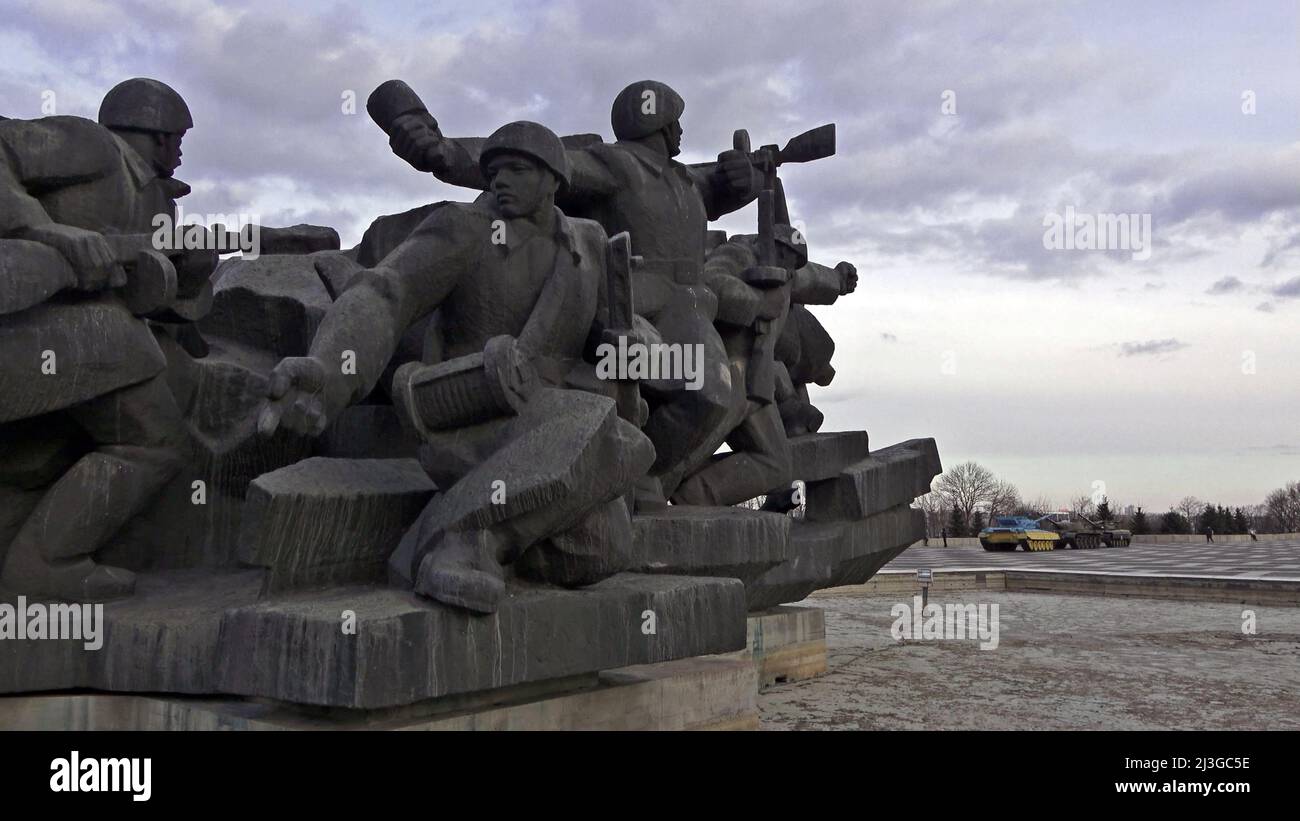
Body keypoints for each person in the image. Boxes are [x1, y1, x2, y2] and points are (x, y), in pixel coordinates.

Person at [259, 121, 654, 613]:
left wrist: (638, 346)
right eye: (493, 171)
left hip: (559, 429)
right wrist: (328, 368)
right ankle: (458, 540)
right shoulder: (465, 229)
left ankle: (496, 541)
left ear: (554, 178)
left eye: (517, 169)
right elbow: (387, 293)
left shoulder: (588, 243)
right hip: (470, 416)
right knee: (621, 439)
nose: (499, 181)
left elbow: (611, 330)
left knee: (602, 546)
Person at [381, 79, 763, 506]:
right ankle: (631, 476)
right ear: (662, 125)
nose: (681, 131)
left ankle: (639, 476)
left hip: (693, 306)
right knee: (708, 389)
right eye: (676, 122)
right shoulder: (618, 165)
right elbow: (544, 159)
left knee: (717, 394)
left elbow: (721, 189)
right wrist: (446, 152)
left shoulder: (687, 180)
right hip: (638, 301)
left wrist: (740, 179)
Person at [0, 78, 205, 600]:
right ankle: (42, 564)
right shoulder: (91, 144)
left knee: (178, 376)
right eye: (177, 139)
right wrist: (42, 228)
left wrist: (188, 270)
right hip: (38, 325)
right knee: (155, 442)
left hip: (94, 336)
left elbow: (143, 290)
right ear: (160, 135)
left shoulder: (157, 200)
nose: (179, 152)